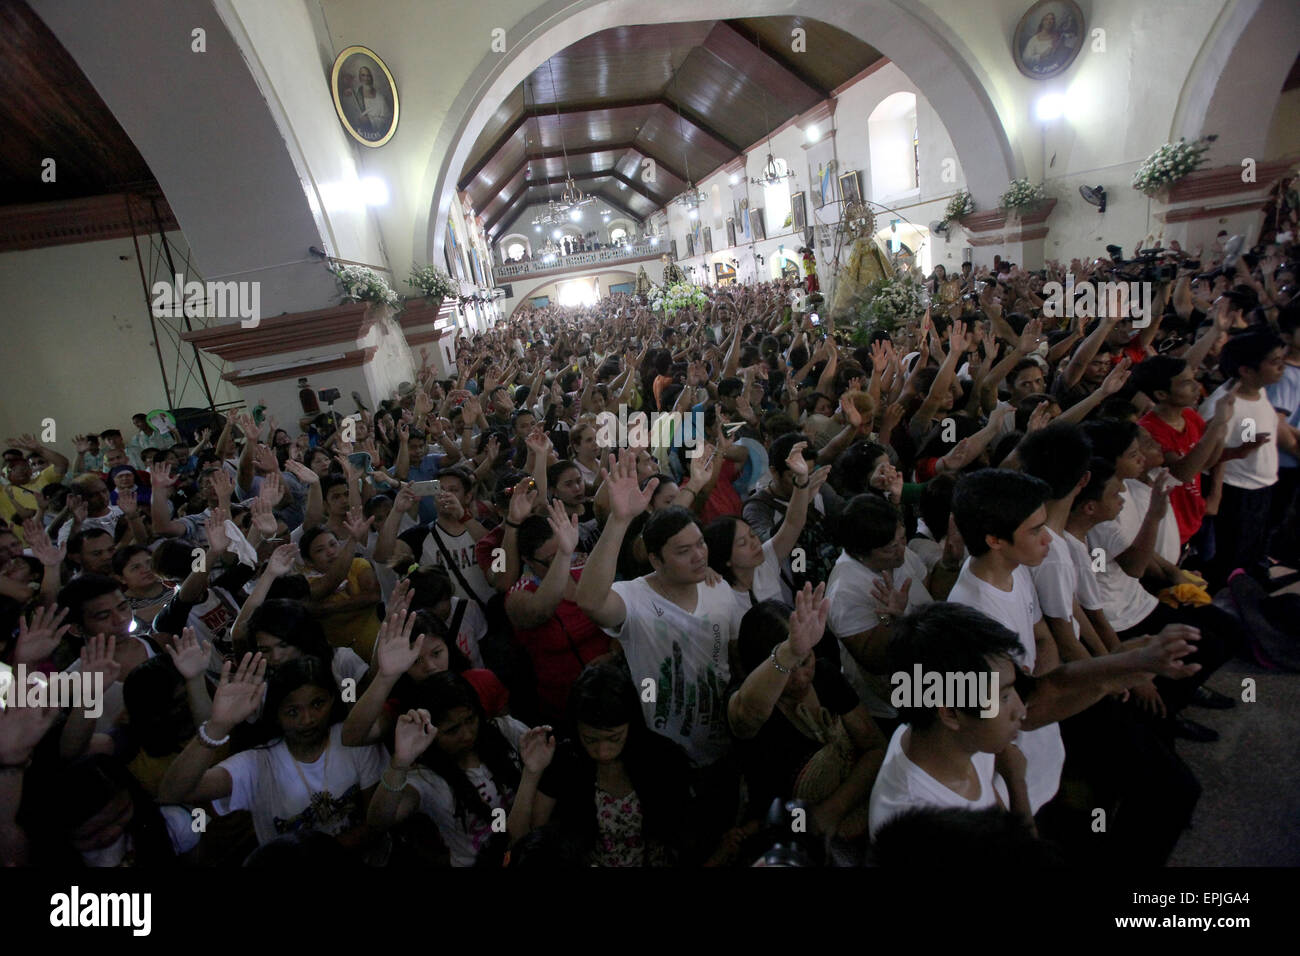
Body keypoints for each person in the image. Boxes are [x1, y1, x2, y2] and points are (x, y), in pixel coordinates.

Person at [158, 654, 387, 852]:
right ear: (276, 715)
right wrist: (217, 726)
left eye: (318, 704)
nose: (307, 719)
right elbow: (174, 793)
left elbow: (376, 821)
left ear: (332, 700)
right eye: (292, 711)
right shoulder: (258, 764)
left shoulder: (353, 740)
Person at [729, 587, 887, 850]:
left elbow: (876, 747)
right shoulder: (750, 702)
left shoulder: (826, 676)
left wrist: (833, 809)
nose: (802, 677)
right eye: (789, 669)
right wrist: (788, 652)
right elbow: (748, 715)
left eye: (806, 661)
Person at [509, 660, 698, 866]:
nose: (603, 751)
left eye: (614, 738)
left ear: (630, 725)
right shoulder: (566, 760)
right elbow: (520, 841)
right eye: (590, 740)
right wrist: (531, 773)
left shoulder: (660, 757)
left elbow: (685, 831)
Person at [867, 603, 1030, 838]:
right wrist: (1017, 784)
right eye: (1003, 697)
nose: (1020, 710)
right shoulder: (920, 828)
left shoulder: (952, 738)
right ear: (950, 713)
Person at [365, 671, 528, 867]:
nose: (467, 735)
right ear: (430, 733)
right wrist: (399, 763)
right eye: (452, 730)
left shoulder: (504, 730)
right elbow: (379, 821)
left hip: (528, 850)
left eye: (470, 719)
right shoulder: (426, 779)